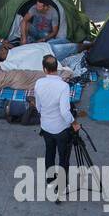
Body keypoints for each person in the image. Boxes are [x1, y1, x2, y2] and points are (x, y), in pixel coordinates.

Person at [33, 54, 78, 195]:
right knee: (63, 157)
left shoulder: (39, 83)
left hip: (46, 127)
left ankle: (50, 179)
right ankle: (61, 185)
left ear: (44, 69)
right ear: (57, 69)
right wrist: (74, 123)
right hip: (61, 129)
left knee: (49, 152)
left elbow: (38, 106)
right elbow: (65, 111)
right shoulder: (63, 87)